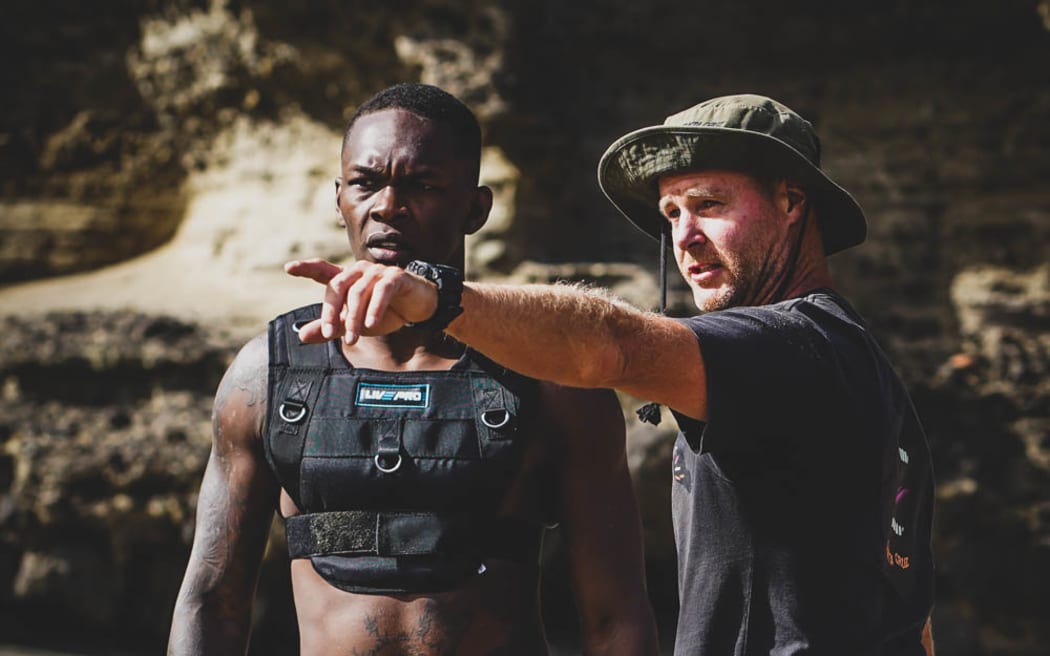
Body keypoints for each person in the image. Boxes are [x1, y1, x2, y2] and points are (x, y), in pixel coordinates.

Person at [288, 93, 937, 655]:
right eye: (671, 214)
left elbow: (612, 348)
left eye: (709, 204)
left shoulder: (789, 346)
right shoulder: (862, 367)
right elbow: (916, 616)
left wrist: (436, 299)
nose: (684, 236)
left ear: (792, 201)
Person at [168, 83, 659, 655]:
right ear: (339, 197)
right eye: (365, 182)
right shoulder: (270, 373)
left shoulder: (549, 379)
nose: (388, 207)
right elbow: (211, 602)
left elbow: (616, 619)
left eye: (422, 185)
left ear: (475, 208)